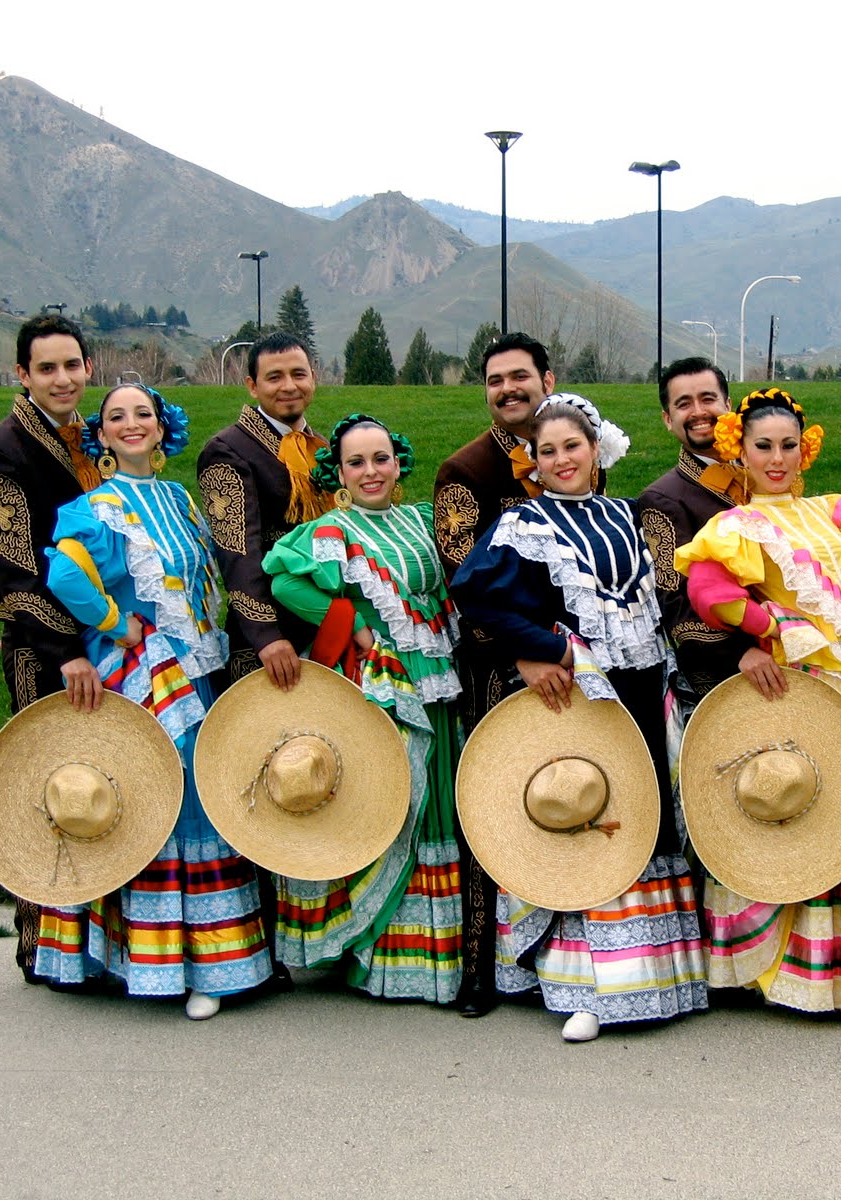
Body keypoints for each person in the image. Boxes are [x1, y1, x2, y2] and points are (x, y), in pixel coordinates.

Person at [449, 395, 708, 1041]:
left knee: (642, 815)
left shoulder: (626, 517)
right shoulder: (524, 525)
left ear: (597, 451)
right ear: (532, 463)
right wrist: (540, 649)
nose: (561, 459)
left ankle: (659, 979)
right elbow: (477, 598)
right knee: (587, 812)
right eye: (547, 451)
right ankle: (589, 987)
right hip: (576, 696)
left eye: (572, 446)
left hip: (643, 687)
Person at [674, 387, 841, 1028]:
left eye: (789, 445)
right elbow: (705, 586)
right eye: (764, 447)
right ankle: (797, 972)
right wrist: (766, 632)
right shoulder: (735, 525)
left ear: (805, 449)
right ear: (741, 451)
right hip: (801, 690)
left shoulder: (838, 512)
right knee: (804, 804)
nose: (777, 458)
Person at [34, 384, 274, 1019]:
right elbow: (62, 575)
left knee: (203, 800)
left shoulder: (180, 500)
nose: (132, 424)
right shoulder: (98, 507)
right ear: (102, 436)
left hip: (199, 668)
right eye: (117, 417)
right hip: (147, 675)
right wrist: (115, 620)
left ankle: (209, 961)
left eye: (144, 414)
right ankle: (182, 967)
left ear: (163, 427)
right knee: (170, 805)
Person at [260, 414, 463, 1003]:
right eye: (356, 462)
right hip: (379, 684)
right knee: (389, 798)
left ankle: (431, 958)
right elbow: (283, 585)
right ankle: (373, 951)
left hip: (436, 677)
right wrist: (354, 625)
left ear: (399, 463)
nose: (370, 471)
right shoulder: (332, 530)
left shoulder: (423, 522)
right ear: (338, 472)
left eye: (381, 458)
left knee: (433, 803)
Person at [0, 313, 104, 982]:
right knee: (46, 787)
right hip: (42, 653)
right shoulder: (0, 453)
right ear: (22, 374)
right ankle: (39, 943)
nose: (61, 378)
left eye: (71, 365)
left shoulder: (95, 440)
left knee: (101, 792)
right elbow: (14, 577)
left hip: (109, 646)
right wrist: (68, 651)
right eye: (46, 368)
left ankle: (100, 943)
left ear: (88, 368)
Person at [431, 331, 565, 1016]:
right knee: (492, 807)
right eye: (495, 380)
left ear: (548, 377)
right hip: (497, 664)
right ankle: (479, 968)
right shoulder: (466, 471)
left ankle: (563, 966)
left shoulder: (571, 451)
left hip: (571, 661)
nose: (509, 389)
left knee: (568, 798)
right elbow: (464, 582)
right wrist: (526, 652)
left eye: (520, 376)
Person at [637, 356, 784, 702]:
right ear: (667, 419)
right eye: (683, 404)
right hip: (733, 670)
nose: (699, 411)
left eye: (708, 398)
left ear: (728, 406)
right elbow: (674, 599)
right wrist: (739, 653)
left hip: (794, 647)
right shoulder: (662, 498)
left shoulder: (765, 473)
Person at [197, 331, 329, 690]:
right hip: (271, 641)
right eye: (275, 377)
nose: (289, 386)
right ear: (253, 386)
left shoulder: (323, 447)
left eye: (298, 374)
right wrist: (265, 634)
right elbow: (237, 551)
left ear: (313, 378)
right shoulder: (227, 450)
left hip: (330, 626)